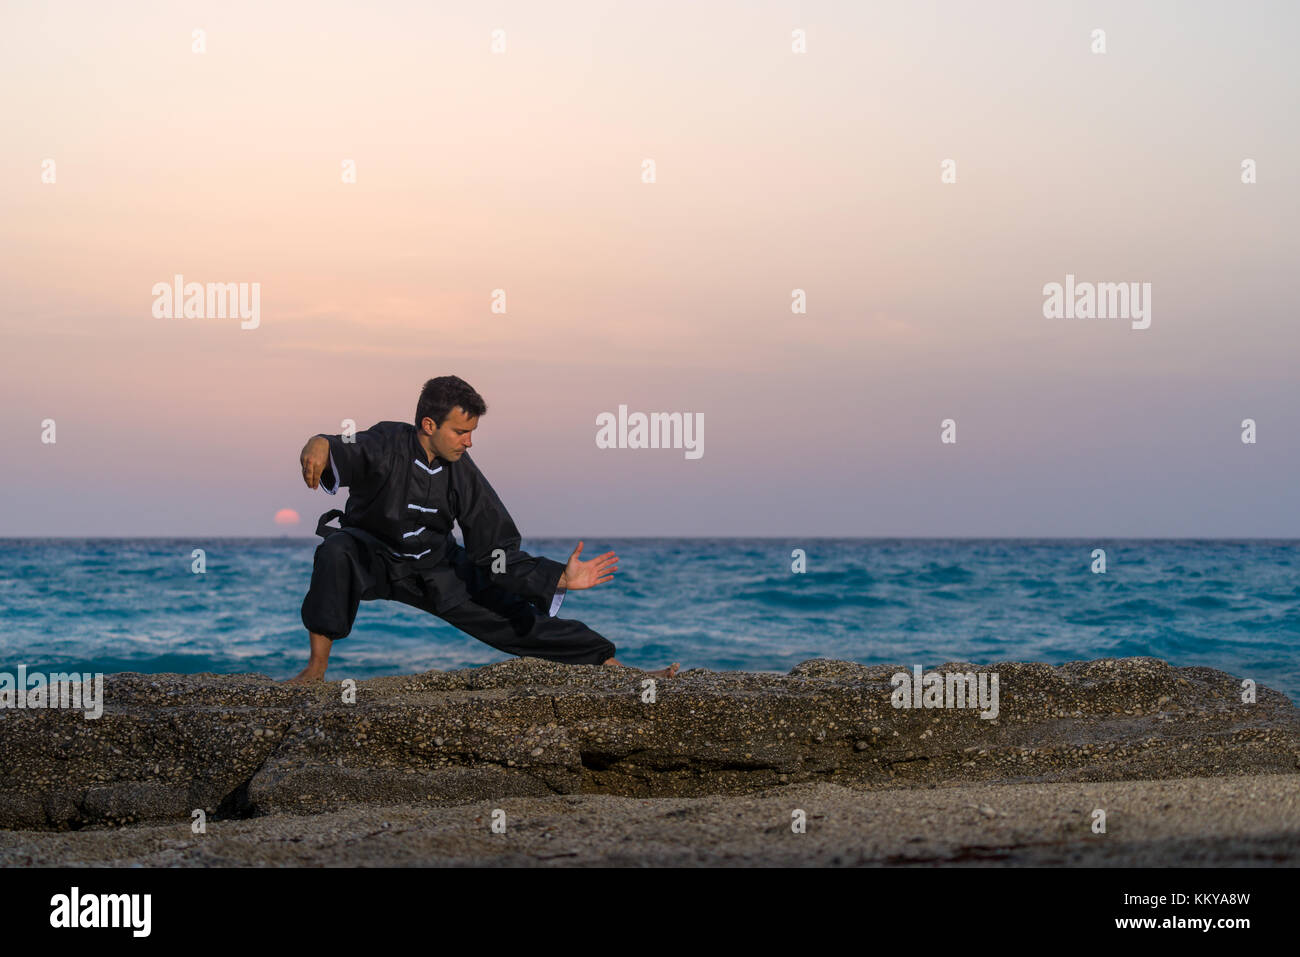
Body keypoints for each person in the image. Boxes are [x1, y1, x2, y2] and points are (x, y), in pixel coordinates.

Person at [287, 375, 679, 684]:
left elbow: (496, 550)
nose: (469, 442)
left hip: (436, 571)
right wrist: (319, 441)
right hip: (371, 557)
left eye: (472, 432)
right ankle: (316, 671)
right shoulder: (386, 440)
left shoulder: (463, 472)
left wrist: (557, 575)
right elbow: (345, 445)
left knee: (517, 618)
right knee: (335, 550)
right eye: (460, 432)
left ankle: (615, 668)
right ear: (428, 424)